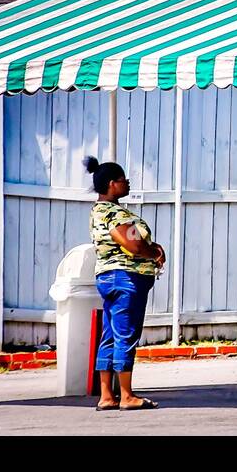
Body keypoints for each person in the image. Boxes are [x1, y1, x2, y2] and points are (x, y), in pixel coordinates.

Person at [85, 156, 165, 411]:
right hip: (126, 278)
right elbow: (132, 244)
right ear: (112, 184)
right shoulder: (115, 213)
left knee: (109, 335)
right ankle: (127, 395)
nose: (127, 183)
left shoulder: (98, 211)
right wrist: (154, 252)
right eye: (123, 180)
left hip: (107, 277)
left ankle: (107, 396)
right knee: (126, 334)